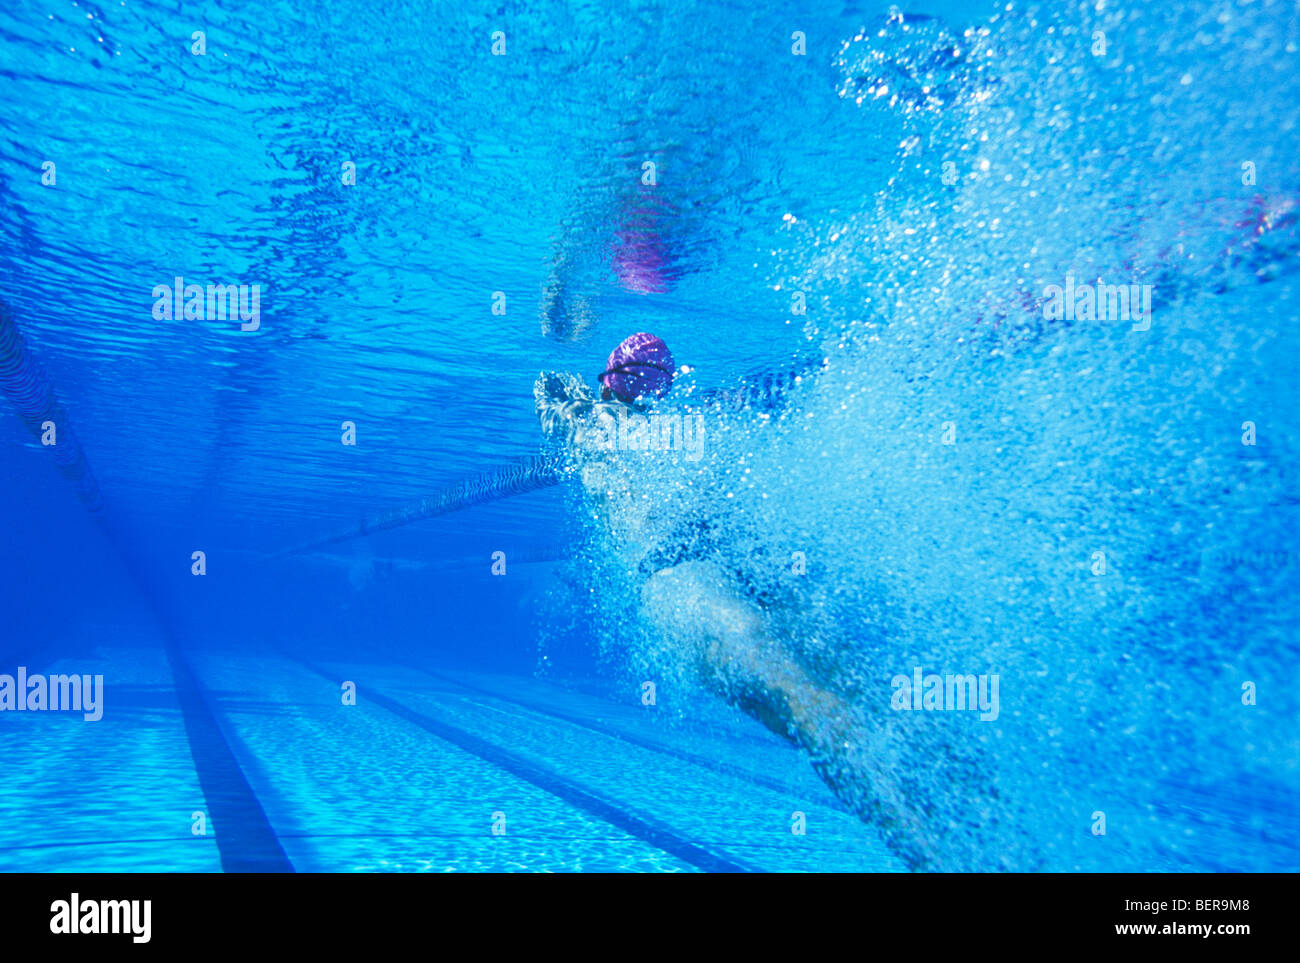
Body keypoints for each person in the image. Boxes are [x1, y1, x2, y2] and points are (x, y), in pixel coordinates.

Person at [535, 332, 941, 869]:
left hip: (678, 576)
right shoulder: (681, 428)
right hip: (742, 554)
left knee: (804, 706)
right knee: (861, 692)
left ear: (611, 376)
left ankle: (937, 851)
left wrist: (566, 387)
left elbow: (547, 394)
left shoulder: (590, 423)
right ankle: (971, 813)